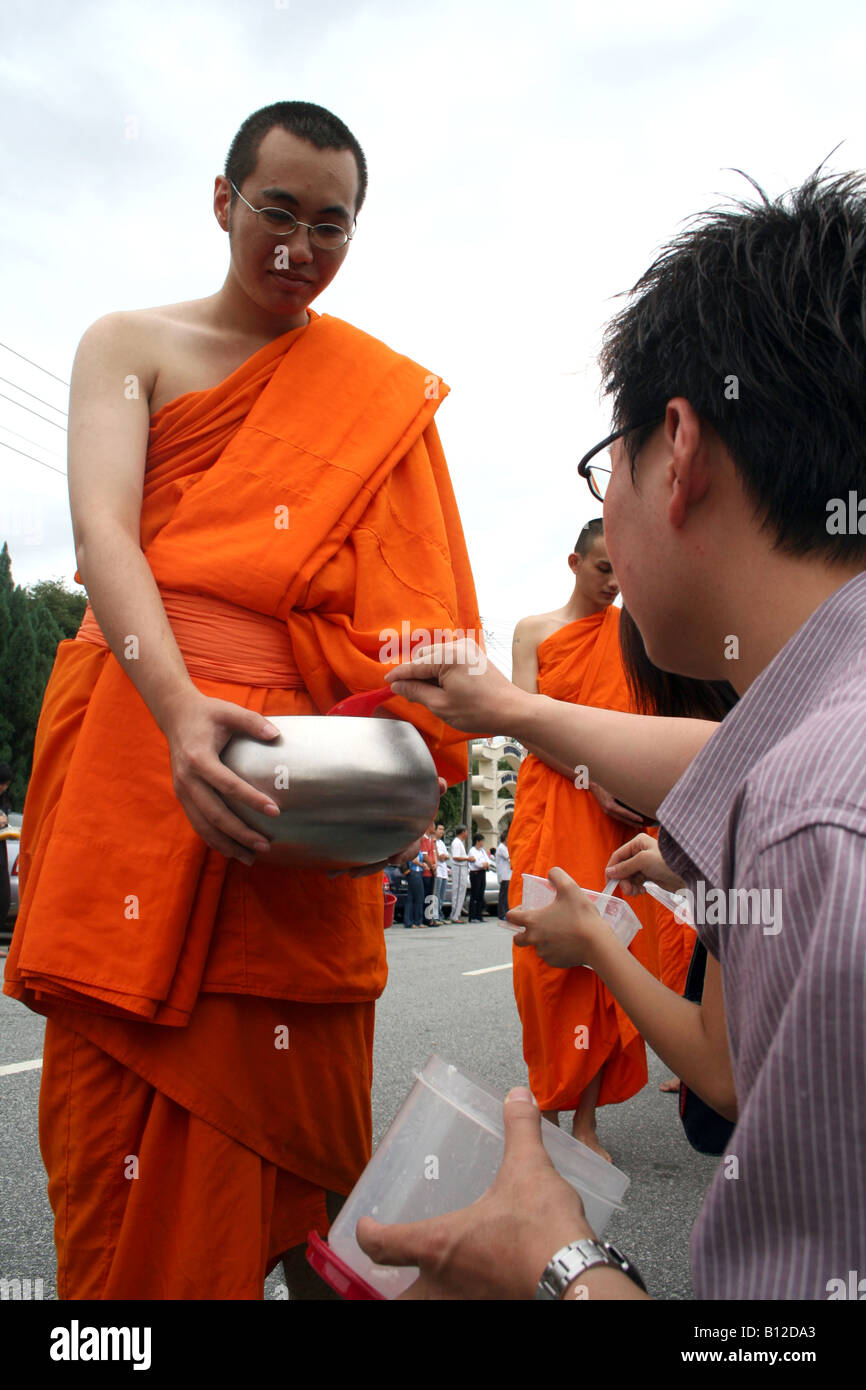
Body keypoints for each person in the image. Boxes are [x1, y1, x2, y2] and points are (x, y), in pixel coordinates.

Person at [3, 100, 482, 1300]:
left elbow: (416, 619)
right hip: (138, 741)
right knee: (120, 1137)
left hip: (298, 780)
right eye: (278, 212)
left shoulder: (370, 398)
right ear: (222, 201)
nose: (300, 247)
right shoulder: (131, 344)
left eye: (332, 225)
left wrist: (429, 737)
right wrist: (177, 708)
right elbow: (103, 531)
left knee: (291, 1139)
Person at [368, 170, 866, 1299]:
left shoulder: (813, 818)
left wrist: (561, 1266)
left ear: (677, 449)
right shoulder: (806, 751)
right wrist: (505, 707)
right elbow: (728, 768)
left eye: (612, 463)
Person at [507, 521, 681, 1159]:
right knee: (541, 964)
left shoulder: (635, 638)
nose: (615, 582)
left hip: (615, 815)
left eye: (624, 570)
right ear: (574, 562)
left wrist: (620, 781)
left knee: (605, 954)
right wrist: (589, 773)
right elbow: (521, 721)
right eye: (604, 568)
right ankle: (546, 1118)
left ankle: (584, 1124)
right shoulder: (533, 630)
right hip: (550, 806)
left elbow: (646, 723)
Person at [418, 819, 437, 926]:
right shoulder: (424, 839)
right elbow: (425, 856)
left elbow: (433, 854)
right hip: (426, 872)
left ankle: (429, 918)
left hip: (432, 871)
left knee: (431, 896)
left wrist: (435, 866)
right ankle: (425, 919)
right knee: (426, 896)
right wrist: (431, 867)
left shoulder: (430, 839)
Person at [449, 824, 470, 921]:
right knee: (458, 892)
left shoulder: (460, 842)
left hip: (462, 868)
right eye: (466, 831)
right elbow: (456, 857)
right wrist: (468, 858)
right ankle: (454, 915)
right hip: (459, 868)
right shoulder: (456, 842)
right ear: (463, 832)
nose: (467, 833)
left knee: (461, 891)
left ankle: (457, 914)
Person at [467, 832, 489, 922]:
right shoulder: (472, 850)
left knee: (481, 894)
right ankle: (472, 916)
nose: (483, 843)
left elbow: (487, 861)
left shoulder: (482, 851)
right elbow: (476, 863)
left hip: (482, 873)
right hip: (475, 873)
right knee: (475, 894)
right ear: (477, 841)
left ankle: (479, 915)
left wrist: (485, 864)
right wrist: (483, 864)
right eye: (482, 841)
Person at [401, 851, 426, 928]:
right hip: (415, 872)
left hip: (413, 873)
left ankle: (408, 921)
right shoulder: (415, 850)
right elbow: (414, 861)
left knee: (411, 897)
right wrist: (423, 865)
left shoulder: (415, 849)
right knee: (419, 897)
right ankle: (418, 921)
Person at [432, 822, 450, 924]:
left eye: (443, 829)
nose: (442, 831)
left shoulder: (442, 843)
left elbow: (447, 856)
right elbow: (440, 857)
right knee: (436, 895)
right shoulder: (433, 842)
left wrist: (444, 856)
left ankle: (439, 914)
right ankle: (434, 916)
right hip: (437, 872)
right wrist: (443, 856)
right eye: (440, 829)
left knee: (442, 895)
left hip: (444, 872)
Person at [494, 827, 511, 919]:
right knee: (503, 896)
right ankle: (502, 913)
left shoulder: (506, 847)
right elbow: (510, 859)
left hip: (508, 874)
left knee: (507, 896)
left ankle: (506, 912)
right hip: (504, 875)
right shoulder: (501, 848)